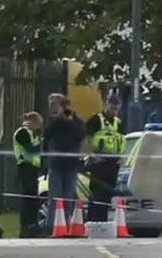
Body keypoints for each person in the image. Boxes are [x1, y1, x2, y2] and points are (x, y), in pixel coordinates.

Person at [43, 94, 86, 233]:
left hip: (71, 165)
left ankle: (67, 225)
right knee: (54, 198)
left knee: (68, 197)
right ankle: (51, 227)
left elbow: (81, 134)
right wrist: (62, 119)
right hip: (56, 164)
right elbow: (48, 133)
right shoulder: (54, 121)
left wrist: (70, 120)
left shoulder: (76, 121)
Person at [85, 94, 125, 222]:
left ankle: (103, 221)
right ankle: (93, 221)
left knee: (108, 194)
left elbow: (122, 141)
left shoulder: (118, 123)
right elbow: (86, 138)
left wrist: (121, 157)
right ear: (106, 105)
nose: (114, 111)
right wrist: (91, 154)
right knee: (97, 194)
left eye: (116, 109)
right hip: (99, 162)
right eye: (112, 108)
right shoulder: (96, 119)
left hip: (113, 163)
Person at [13, 112, 44, 238]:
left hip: (32, 168)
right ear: (32, 121)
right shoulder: (22, 132)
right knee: (28, 199)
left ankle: (32, 226)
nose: (38, 127)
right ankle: (26, 228)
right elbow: (30, 149)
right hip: (25, 167)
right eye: (38, 124)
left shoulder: (31, 133)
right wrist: (41, 143)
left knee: (32, 198)